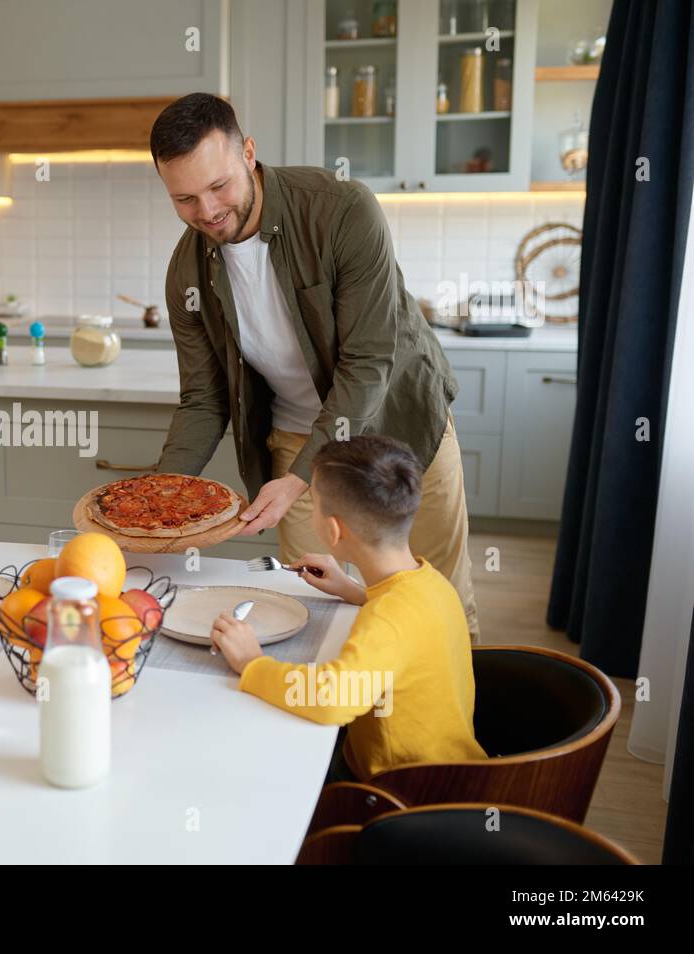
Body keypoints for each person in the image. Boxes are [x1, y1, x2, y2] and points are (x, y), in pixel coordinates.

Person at [150, 92, 480, 641]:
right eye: (184, 199)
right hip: (295, 436)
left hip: (403, 428)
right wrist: (161, 492)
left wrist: (300, 478)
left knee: (438, 600)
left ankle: (456, 722)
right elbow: (204, 399)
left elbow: (368, 360)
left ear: (249, 153)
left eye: (219, 186)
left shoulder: (343, 209)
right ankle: (338, 719)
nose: (206, 212)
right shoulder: (187, 270)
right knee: (312, 603)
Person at [210, 435, 487, 782]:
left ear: (332, 529)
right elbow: (409, 625)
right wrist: (354, 591)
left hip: (398, 791)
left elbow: (332, 701)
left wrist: (252, 663)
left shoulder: (386, 620)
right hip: (452, 766)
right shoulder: (431, 582)